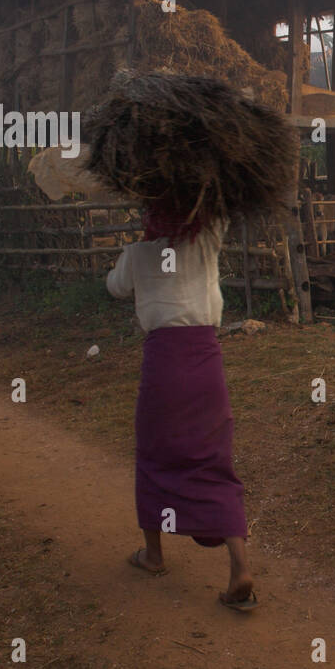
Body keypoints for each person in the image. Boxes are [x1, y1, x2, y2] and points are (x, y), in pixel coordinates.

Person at [107, 204, 257, 611]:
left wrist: (136, 252)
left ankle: (154, 556)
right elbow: (223, 210)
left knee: (154, 455)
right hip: (207, 363)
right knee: (214, 459)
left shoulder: (137, 254)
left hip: (163, 367)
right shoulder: (206, 241)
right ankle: (239, 565)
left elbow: (114, 287)